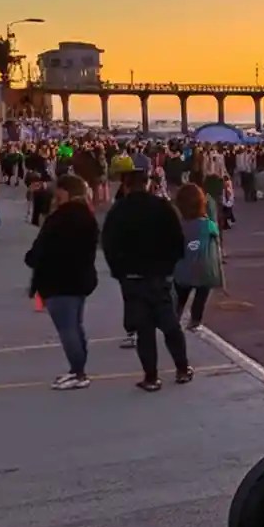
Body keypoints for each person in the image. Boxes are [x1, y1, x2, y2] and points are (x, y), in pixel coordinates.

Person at [102, 164, 193, 392]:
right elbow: (177, 238)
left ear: (126, 185)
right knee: (170, 324)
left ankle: (151, 378)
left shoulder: (119, 211)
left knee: (144, 329)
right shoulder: (162, 207)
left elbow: (108, 243)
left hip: (132, 277)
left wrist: (119, 271)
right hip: (159, 275)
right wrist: (170, 265)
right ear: (148, 184)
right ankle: (182, 369)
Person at [25, 175, 99, 390]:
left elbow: (41, 247)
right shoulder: (88, 216)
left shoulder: (58, 218)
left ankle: (78, 372)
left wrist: (31, 259)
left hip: (57, 280)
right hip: (81, 278)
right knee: (76, 326)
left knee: (67, 329)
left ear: (65, 192)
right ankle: (78, 369)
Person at [173, 183, 225, 331]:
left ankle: (175, 316)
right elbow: (216, 234)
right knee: (202, 293)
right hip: (204, 270)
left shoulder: (179, 226)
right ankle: (195, 320)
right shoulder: (207, 225)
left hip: (184, 269)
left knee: (180, 294)